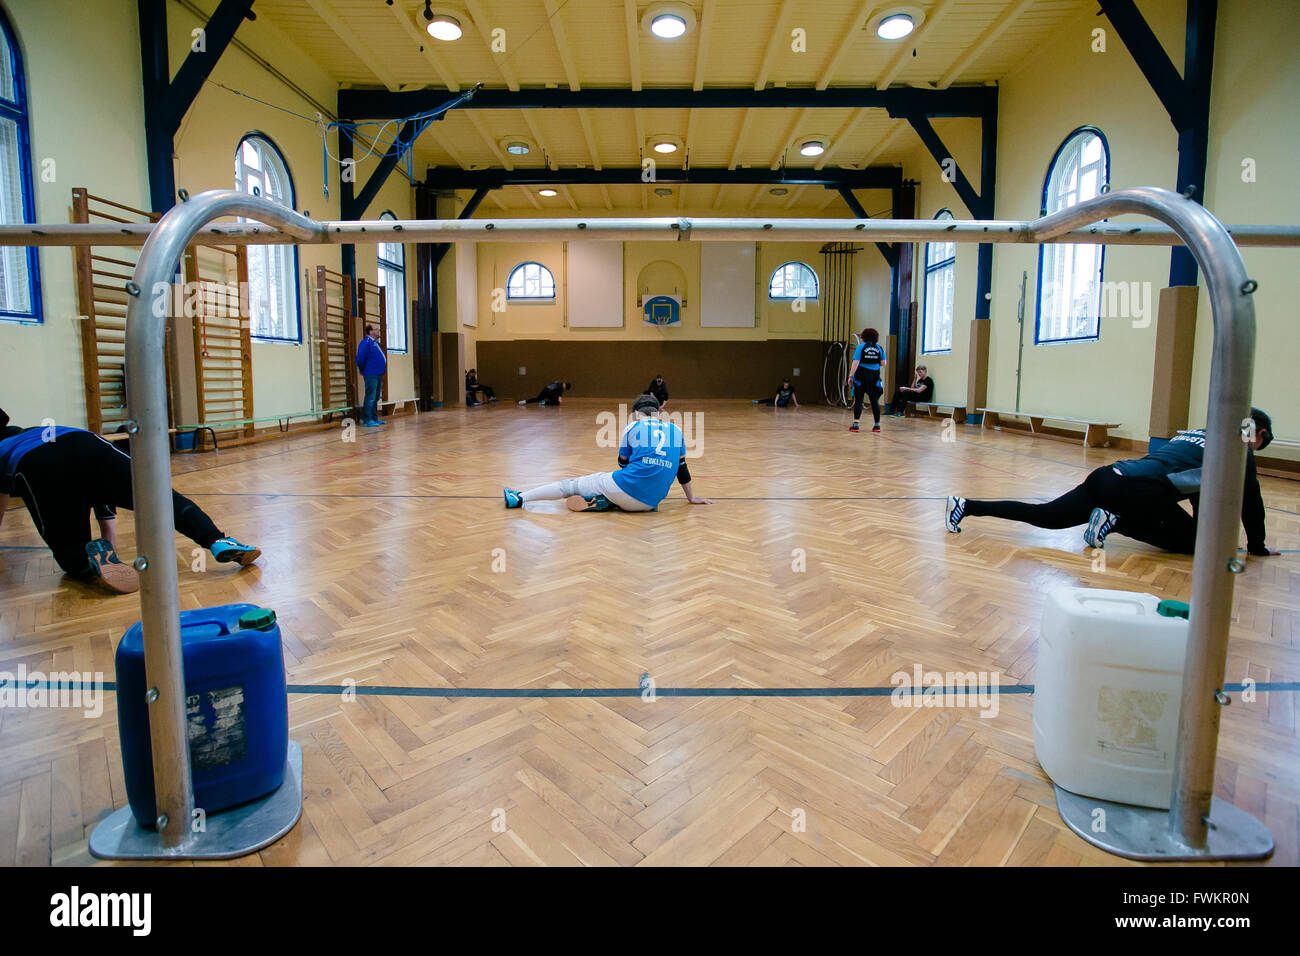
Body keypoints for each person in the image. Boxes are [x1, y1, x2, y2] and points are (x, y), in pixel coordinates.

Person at [945, 408, 1280, 556]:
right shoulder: (1239, 453)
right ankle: (1115, 520)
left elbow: (1198, 487)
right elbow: (1252, 505)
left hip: (1110, 475)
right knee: (1195, 544)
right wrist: (1256, 547)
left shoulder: (1198, 432)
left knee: (1045, 516)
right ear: (1259, 434)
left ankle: (966, 506)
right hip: (1135, 493)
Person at [0, 409, 261, 595]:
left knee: (71, 560)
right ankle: (217, 539)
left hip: (41, 466)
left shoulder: (4, 449)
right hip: (88, 443)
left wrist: (106, 546)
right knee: (162, 499)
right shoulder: (47, 429)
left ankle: (87, 561)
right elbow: (99, 491)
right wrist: (108, 534)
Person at [503, 392, 711, 512]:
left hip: (627, 490)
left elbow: (622, 463)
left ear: (635, 413)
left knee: (571, 485)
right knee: (622, 484)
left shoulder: (633, 428)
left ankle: (520, 498)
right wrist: (691, 498)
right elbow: (681, 468)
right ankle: (609, 501)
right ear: (659, 412)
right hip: (651, 503)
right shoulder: (676, 430)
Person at [846, 327, 886, 433]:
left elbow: (856, 362)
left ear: (864, 337)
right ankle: (877, 426)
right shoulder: (879, 348)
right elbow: (883, 363)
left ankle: (856, 425)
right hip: (874, 377)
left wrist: (850, 376)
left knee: (859, 400)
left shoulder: (860, 347)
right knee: (874, 401)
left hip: (861, 376)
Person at [355, 323, 387, 427]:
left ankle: (374, 418)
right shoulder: (366, 343)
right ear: (370, 331)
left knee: (376, 396)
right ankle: (367, 419)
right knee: (370, 396)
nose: (378, 331)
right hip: (371, 373)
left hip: (378, 373)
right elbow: (360, 358)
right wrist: (361, 369)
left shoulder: (375, 343)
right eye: (376, 329)